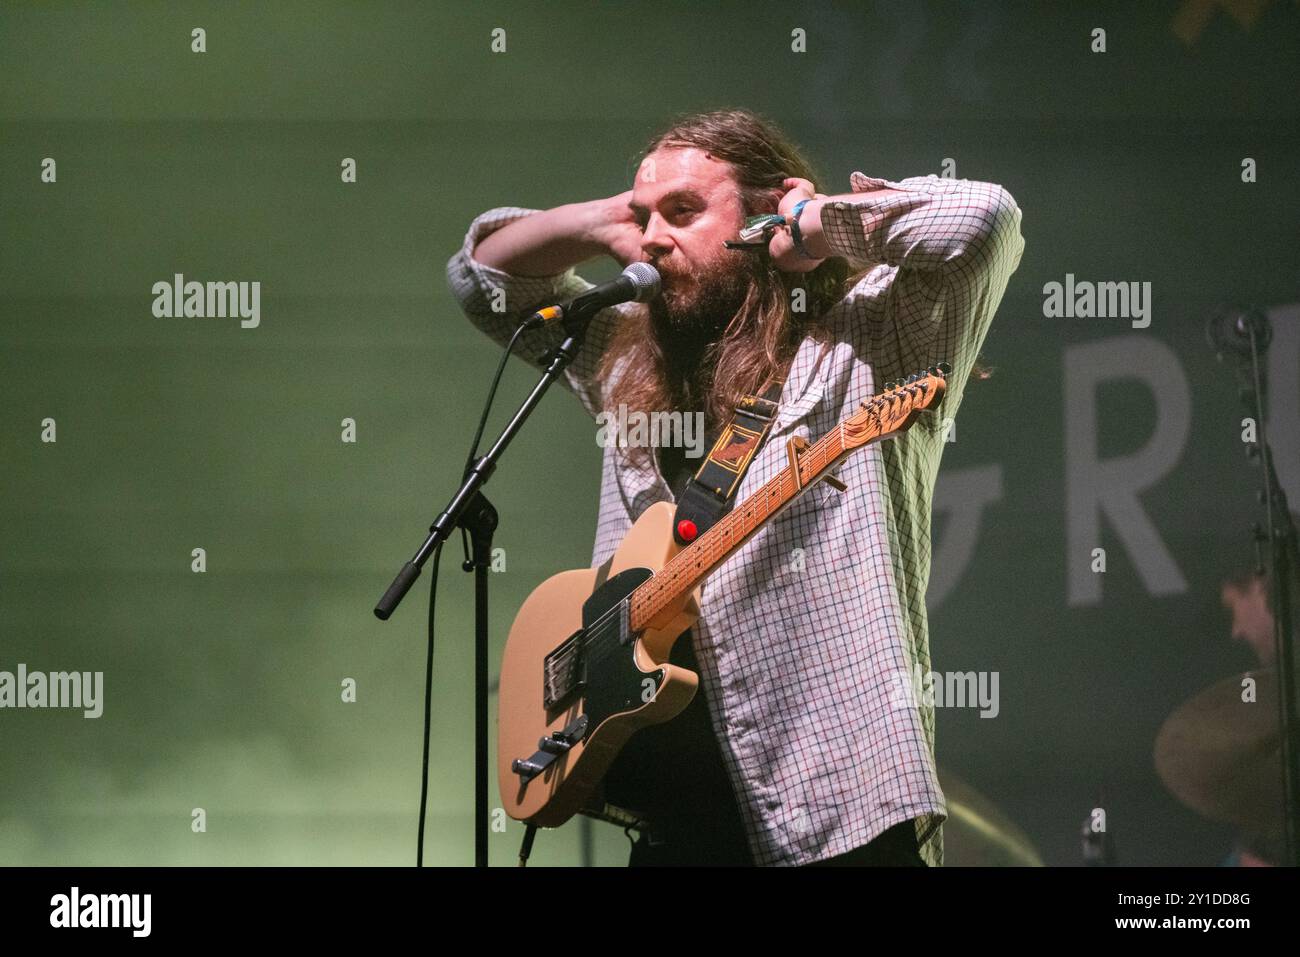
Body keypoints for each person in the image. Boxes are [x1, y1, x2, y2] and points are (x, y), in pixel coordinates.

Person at [447, 109, 1025, 866]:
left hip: (834, 815)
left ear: (765, 210)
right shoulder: (629, 358)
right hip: (677, 824)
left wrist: (815, 222)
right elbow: (484, 280)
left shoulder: (871, 338)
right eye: (644, 216)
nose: (654, 236)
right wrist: (609, 220)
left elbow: (985, 221)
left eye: (683, 211)